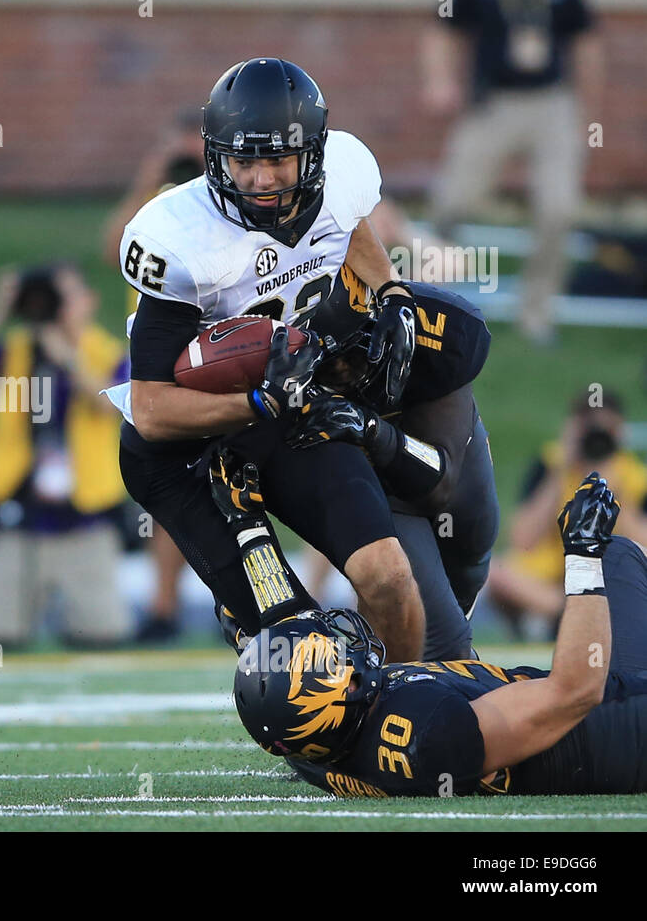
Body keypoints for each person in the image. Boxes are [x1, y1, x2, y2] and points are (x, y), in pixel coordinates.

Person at [107, 57, 429, 660]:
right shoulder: (181, 239)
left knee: (387, 577)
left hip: (286, 409)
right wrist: (257, 399)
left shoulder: (342, 175)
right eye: (243, 160)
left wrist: (392, 290)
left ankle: (410, 710)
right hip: (185, 449)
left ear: (311, 155)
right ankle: (264, 634)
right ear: (214, 158)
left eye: (276, 159)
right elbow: (149, 409)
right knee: (300, 648)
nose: (260, 179)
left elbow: (348, 222)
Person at [233, 471, 647, 796]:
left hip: (591, 710)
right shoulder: (430, 727)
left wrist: (247, 526)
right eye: (339, 656)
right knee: (613, 552)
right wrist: (581, 554)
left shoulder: (306, 746)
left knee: (621, 555)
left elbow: (281, 653)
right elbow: (576, 691)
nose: (345, 647)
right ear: (351, 687)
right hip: (615, 728)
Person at [283, 273, 500, 659]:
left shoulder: (440, 330)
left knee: (469, 558)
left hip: (442, 467)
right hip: (373, 484)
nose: (346, 374)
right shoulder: (274, 345)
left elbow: (440, 484)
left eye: (354, 357)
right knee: (440, 651)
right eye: (330, 365)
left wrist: (371, 430)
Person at [0, 264, 131, 649]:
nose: (58, 309)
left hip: (87, 521)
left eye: (67, 297)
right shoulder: (15, 353)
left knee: (104, 638)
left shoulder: (108, 352)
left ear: (89, 301)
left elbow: (114, 405)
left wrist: (68, 357)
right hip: (19, 520)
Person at [423, 0, 604, 344]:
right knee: (449, 202)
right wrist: (439, 80)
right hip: (493, 103)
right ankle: (423, 303)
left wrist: (589, 115)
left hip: (552, 103)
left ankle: (536, 316)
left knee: (559, 207)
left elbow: (587, 41)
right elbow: (442, 28)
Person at [101, 110, 206, 644]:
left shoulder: (222, 202)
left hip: (214, 359)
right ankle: (164, 605)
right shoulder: (156, 206)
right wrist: (152, 176)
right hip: (155, 362)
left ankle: (238, 606)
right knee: (165, 490)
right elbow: (110, 247)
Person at [488, 392, 647, 637]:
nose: (597, 441)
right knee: (496, 573)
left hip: (611, 580)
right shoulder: (553, 463)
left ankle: (558, 619)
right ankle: (572, 614)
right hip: (553, 579)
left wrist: (618, 493)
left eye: (605, 433)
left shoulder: (634, 475)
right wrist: (561, 469)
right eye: (591, 432)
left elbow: (642, 548)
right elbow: (521, 540)